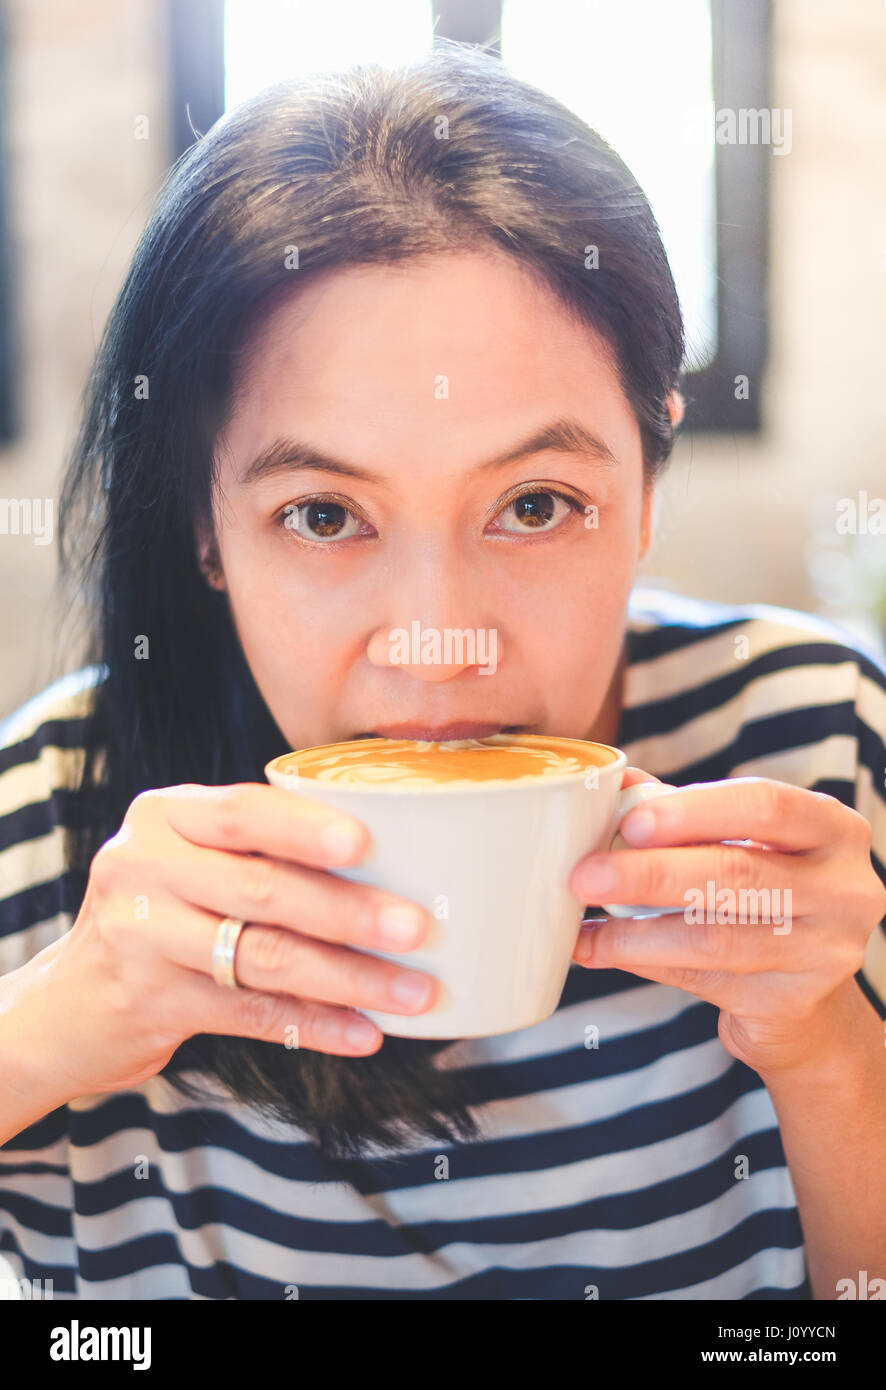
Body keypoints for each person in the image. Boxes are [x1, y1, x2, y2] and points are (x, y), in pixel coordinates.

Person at [1, 41, 884, 1302]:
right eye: (321, 514)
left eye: (534, 502)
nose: (438, 639)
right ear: (204, 525)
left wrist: (827, 1049)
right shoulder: (48, 825)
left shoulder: (824, 748)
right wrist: (37, 1037)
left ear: (646, 487)